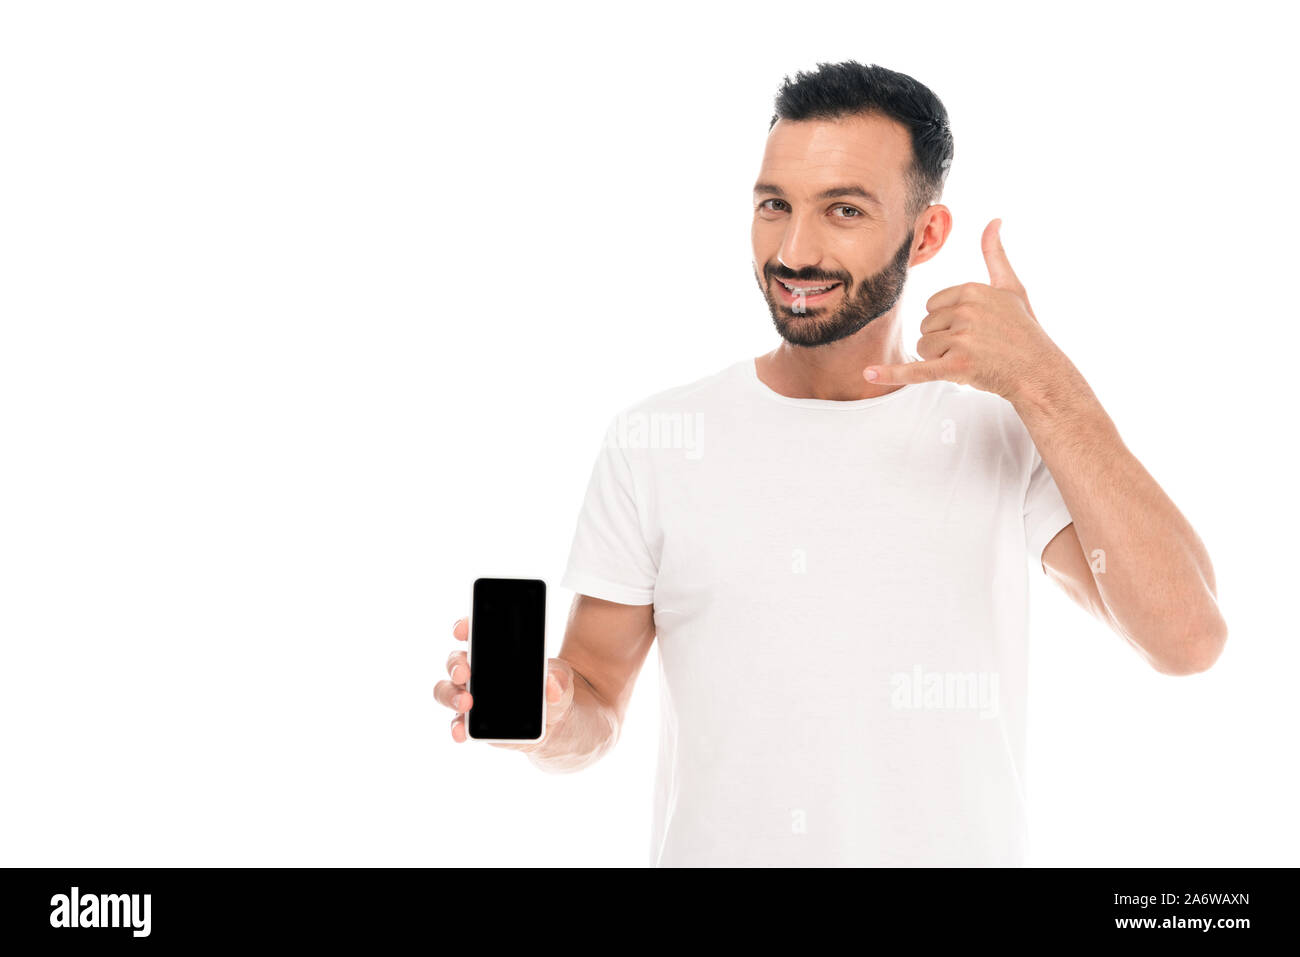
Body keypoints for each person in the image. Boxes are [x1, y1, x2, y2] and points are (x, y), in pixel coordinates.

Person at [435, 60, 1227, 866]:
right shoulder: (657, 439)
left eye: (843, 210)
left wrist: (1047, 383)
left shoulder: (1000, 428)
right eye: (773, 206)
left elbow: (1188, 638)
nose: (793, 249)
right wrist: (550, 714)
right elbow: (594, 700)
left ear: (926, 236)